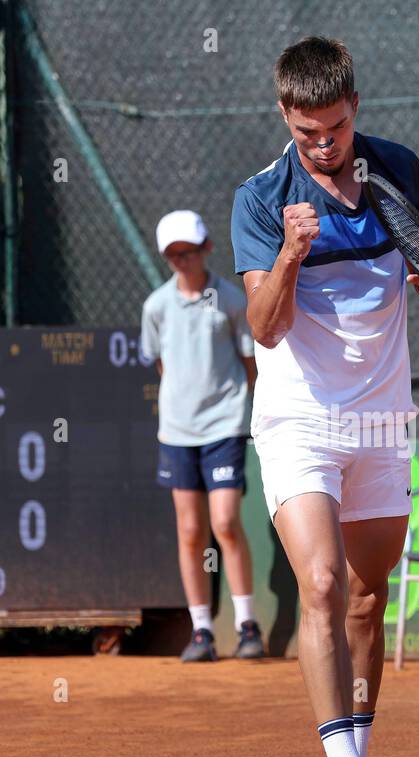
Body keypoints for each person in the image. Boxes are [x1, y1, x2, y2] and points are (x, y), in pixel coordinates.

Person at [230, 37, 419, 757]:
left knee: (368, 596)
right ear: (285, 119)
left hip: (383, 417)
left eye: (332, 128)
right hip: (299, 418)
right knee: (322, 584)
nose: (322, 146)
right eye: (305, 133)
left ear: (353, 108)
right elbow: (265, 329)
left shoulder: (400, 167)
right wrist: (293, 251)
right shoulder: (262, 199)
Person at [141, 209, 264, 662]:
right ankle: (201, 632)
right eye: (173, 255)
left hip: (224, 427)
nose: (182, 261)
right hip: (176, 431)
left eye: (189, 252)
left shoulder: (232, 300)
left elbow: (249, 363)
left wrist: (252, 411)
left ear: (207, 248)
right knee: (191, 529)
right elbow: (161, 364)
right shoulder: (155, 307)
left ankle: (248, 624)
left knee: (226, 523)